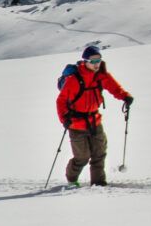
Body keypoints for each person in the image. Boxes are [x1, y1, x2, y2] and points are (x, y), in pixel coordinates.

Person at [56, 44, 134, 187]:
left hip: (94, 121)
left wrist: (125, 97)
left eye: (98, 60)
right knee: (82, 157)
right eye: (92, 61)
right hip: (76, 123)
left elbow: (115, 88)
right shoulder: (73, 80)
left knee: (100, 152)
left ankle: (98, 184)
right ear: (85, 61)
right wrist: (64, 118)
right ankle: (72, 179)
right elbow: (61, 101)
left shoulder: (102, 76)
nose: (96, 64)